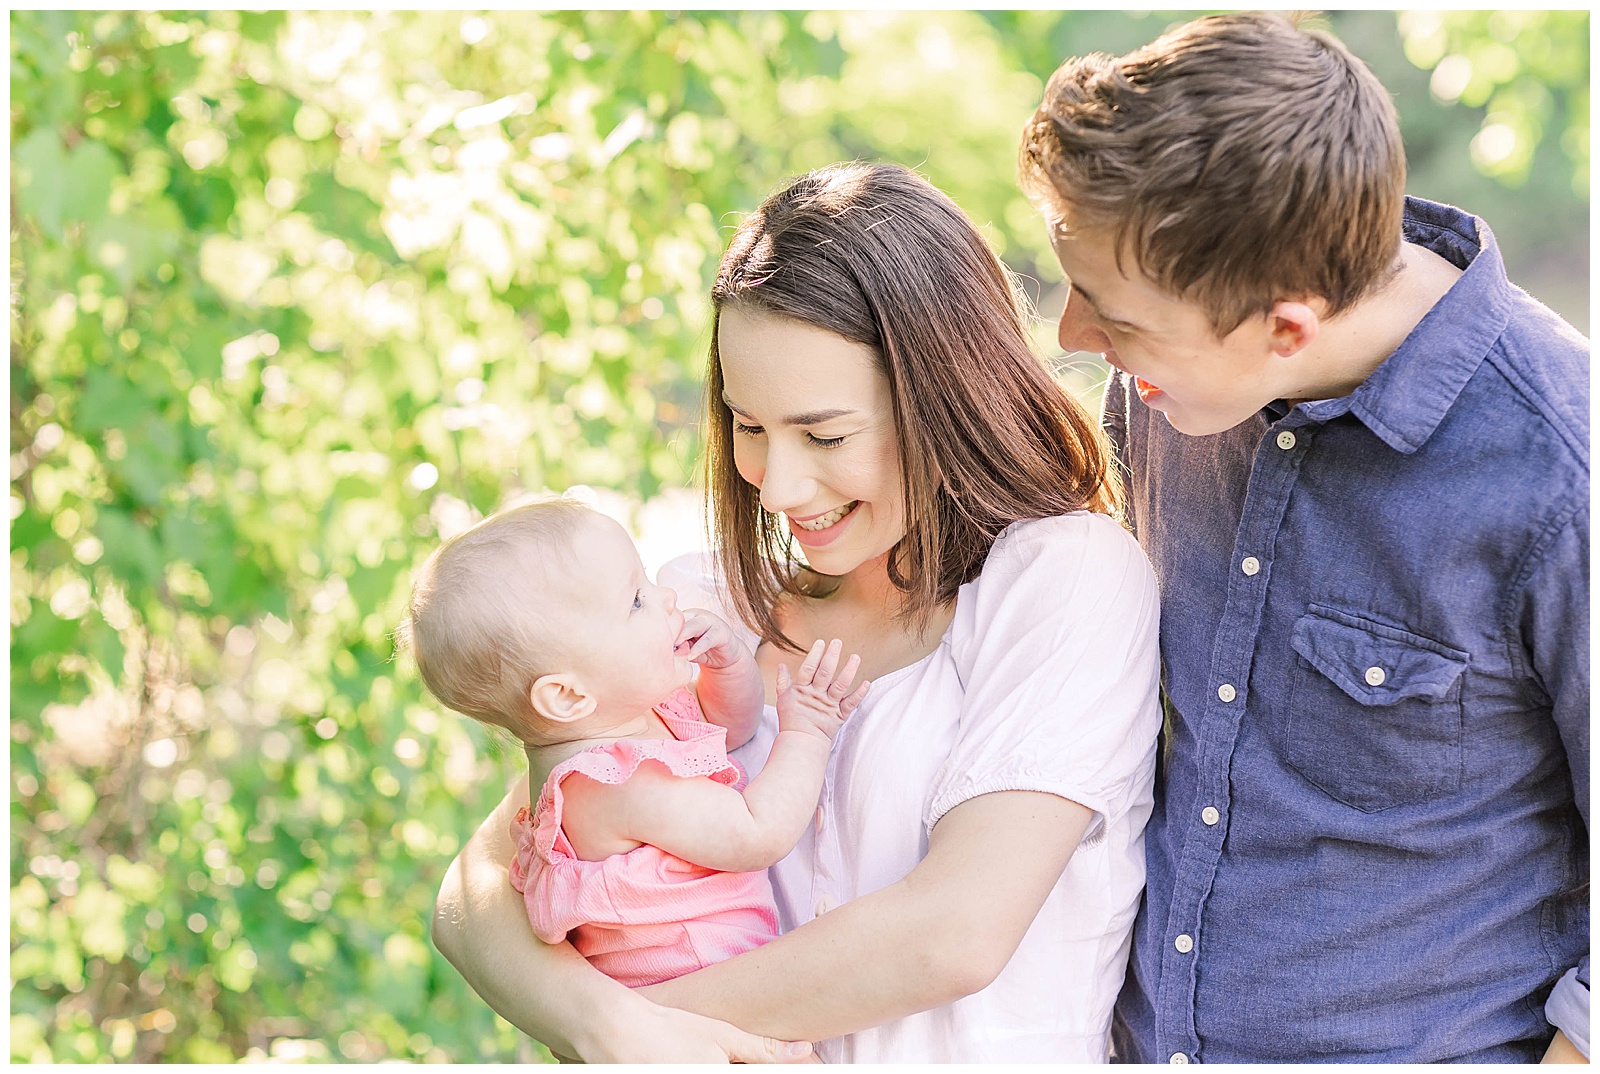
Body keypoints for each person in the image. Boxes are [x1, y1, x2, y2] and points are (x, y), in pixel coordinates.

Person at [430, 162, 1164, 1062]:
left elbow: (954, 935)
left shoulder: (1062, 581)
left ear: (947, 400)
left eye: (824, 435)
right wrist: (599, 1023)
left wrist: (637, 1029)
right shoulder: (702, 614)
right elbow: (478, 889)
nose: (776, 484)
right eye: (748, 426)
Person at [1018, 11, 1589, 1063]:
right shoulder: (1168, 386)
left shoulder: (1560, 472)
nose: (1073, 339)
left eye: (1117, 319)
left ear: (1287, 326)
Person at [402, 498, 868, 989]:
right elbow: (756, 833)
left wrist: (727, 667)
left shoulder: (629, 718)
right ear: (566, 695)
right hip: (703, 1002)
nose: (667, 596)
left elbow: (731, 732)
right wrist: (807, 732)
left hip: (717, 985)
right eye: (637, 602)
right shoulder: (616, 785)